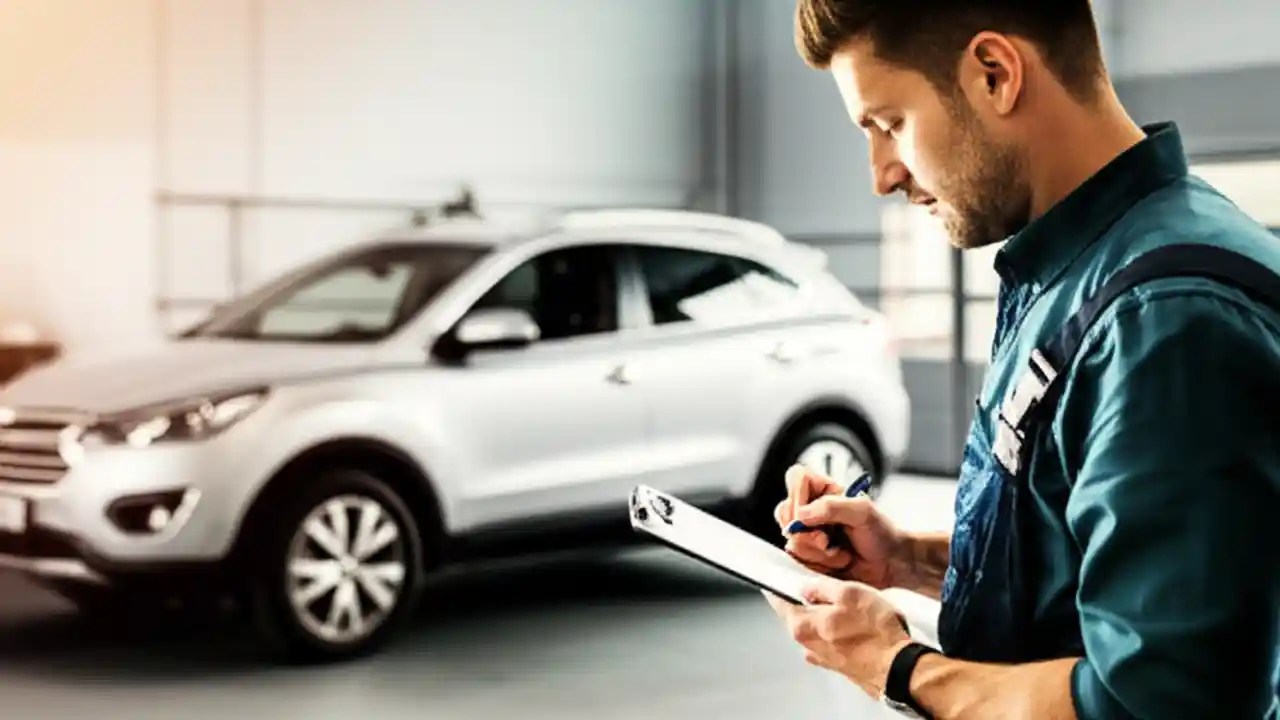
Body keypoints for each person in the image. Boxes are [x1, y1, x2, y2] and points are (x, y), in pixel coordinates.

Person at [764, 1, 1280, 718]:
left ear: (994, 73)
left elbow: (1159, 703)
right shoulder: (1077, 269)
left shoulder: (1167, 319)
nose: (882, 174)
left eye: (889, 125)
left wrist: (893, 664)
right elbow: (1081, 548)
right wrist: (905, 559)